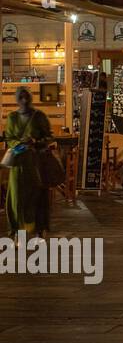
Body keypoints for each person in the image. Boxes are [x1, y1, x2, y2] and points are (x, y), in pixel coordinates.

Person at [4, 87, 53, 237]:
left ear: (31, 98)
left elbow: (49, 137)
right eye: (21, 98)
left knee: (37, 196)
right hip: (18, 164)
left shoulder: (39, 117)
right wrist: (17, 144)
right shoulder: (12, 117)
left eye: (27, 97)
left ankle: (39, 230)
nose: (24, 101)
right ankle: (17, 231)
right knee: (16, 197)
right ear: (17, 99)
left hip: (35, 163)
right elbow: (9, 137)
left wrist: (36, 142)